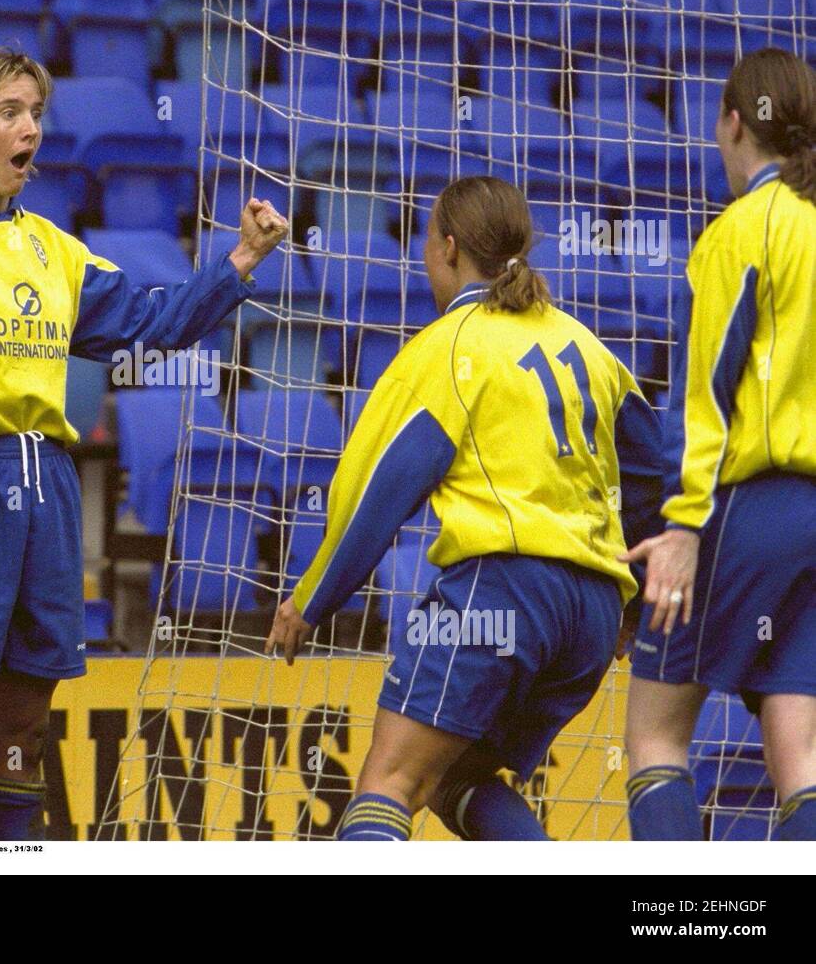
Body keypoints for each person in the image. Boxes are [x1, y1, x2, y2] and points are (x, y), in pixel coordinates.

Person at [0, 47, 288, 841]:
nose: (30, 128)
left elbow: (153, 323)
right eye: (9, 112)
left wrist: (239, 260)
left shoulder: (53, 249)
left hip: (46, 490)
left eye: (35, 112)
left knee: (22, 745)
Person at [266, 175, 663, 841]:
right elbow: (652, 473)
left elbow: (371, 496)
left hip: (502, 591)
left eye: (425, 239)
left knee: (390, 782)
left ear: (448, 247)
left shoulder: (446, 349)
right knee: (455, 779)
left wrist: (310, 599)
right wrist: (635, 600)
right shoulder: (589, 348)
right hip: (590, 616)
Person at [621, 48, 816, 842]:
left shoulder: (742, 231)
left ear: (732, 122)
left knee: (654, 738)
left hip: (747, 510)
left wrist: (681, 527)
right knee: (799, 754)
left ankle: (682, 926)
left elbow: (703, 396)